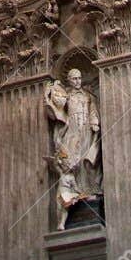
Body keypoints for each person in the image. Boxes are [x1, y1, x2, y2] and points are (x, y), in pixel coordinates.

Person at [45, 68, 101, 211]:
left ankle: (88, 189)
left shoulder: (88, 95)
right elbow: (57, 106)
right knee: (73, 159)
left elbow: (93, 109)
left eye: (79, 78)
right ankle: (75, 191)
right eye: (74, 79)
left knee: (87, 158)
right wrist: (50, 91)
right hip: (72, 129)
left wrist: (94, 121)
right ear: (69, 80)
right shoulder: (67, 95)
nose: (78, 81)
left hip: (86, 128)